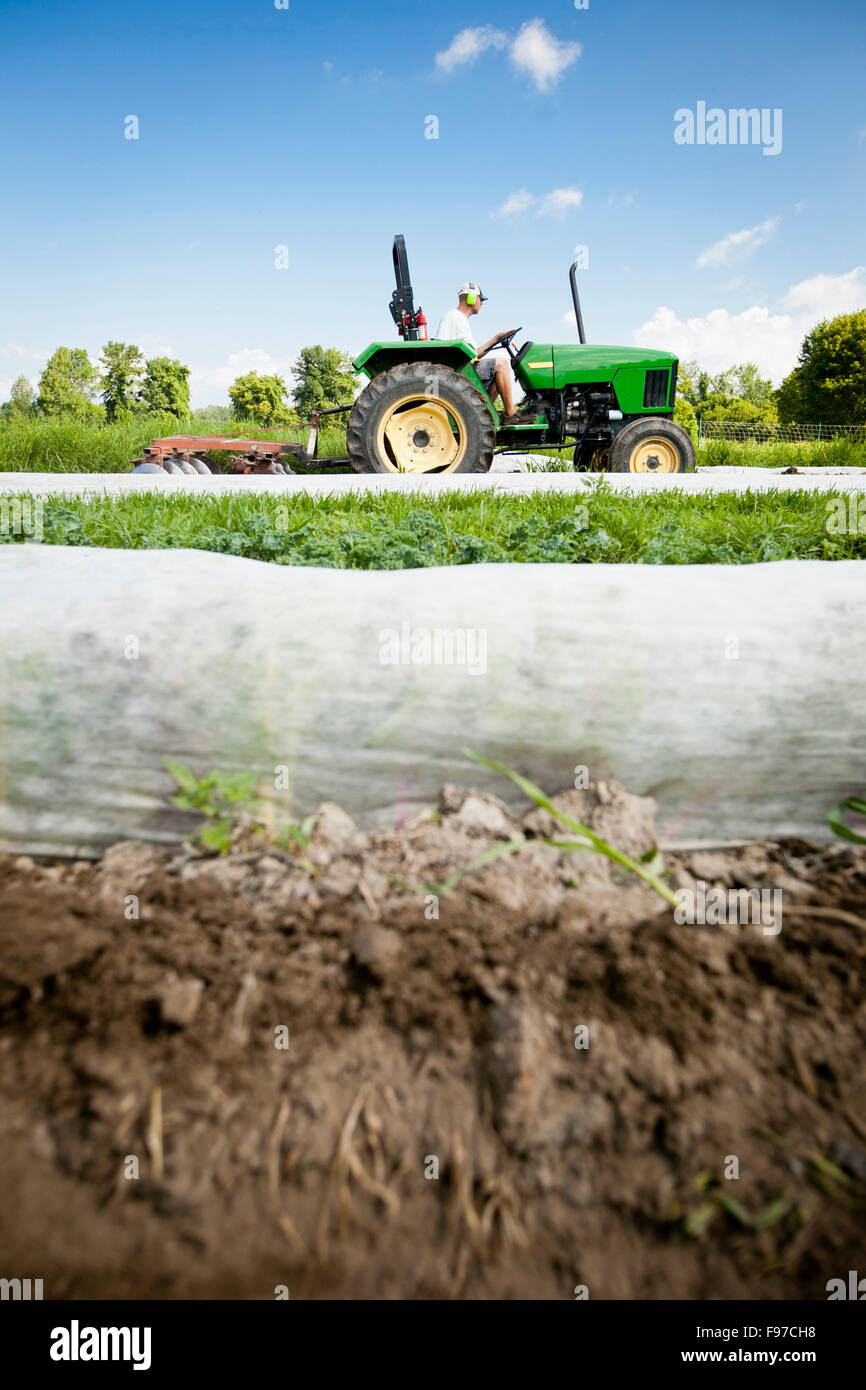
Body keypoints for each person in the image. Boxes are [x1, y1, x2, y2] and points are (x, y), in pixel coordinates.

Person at [435, 282, 534, 425]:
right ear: (471, 297)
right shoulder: (452, 316)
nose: (481, 303)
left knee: (496, 377)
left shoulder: (461, 320)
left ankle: (487, 417)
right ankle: (510, 414)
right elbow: (441, 348)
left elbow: (473, 354)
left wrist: (497, 338)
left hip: (464, 369)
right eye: (481, 299)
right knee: (501, 363)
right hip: (457, 372)